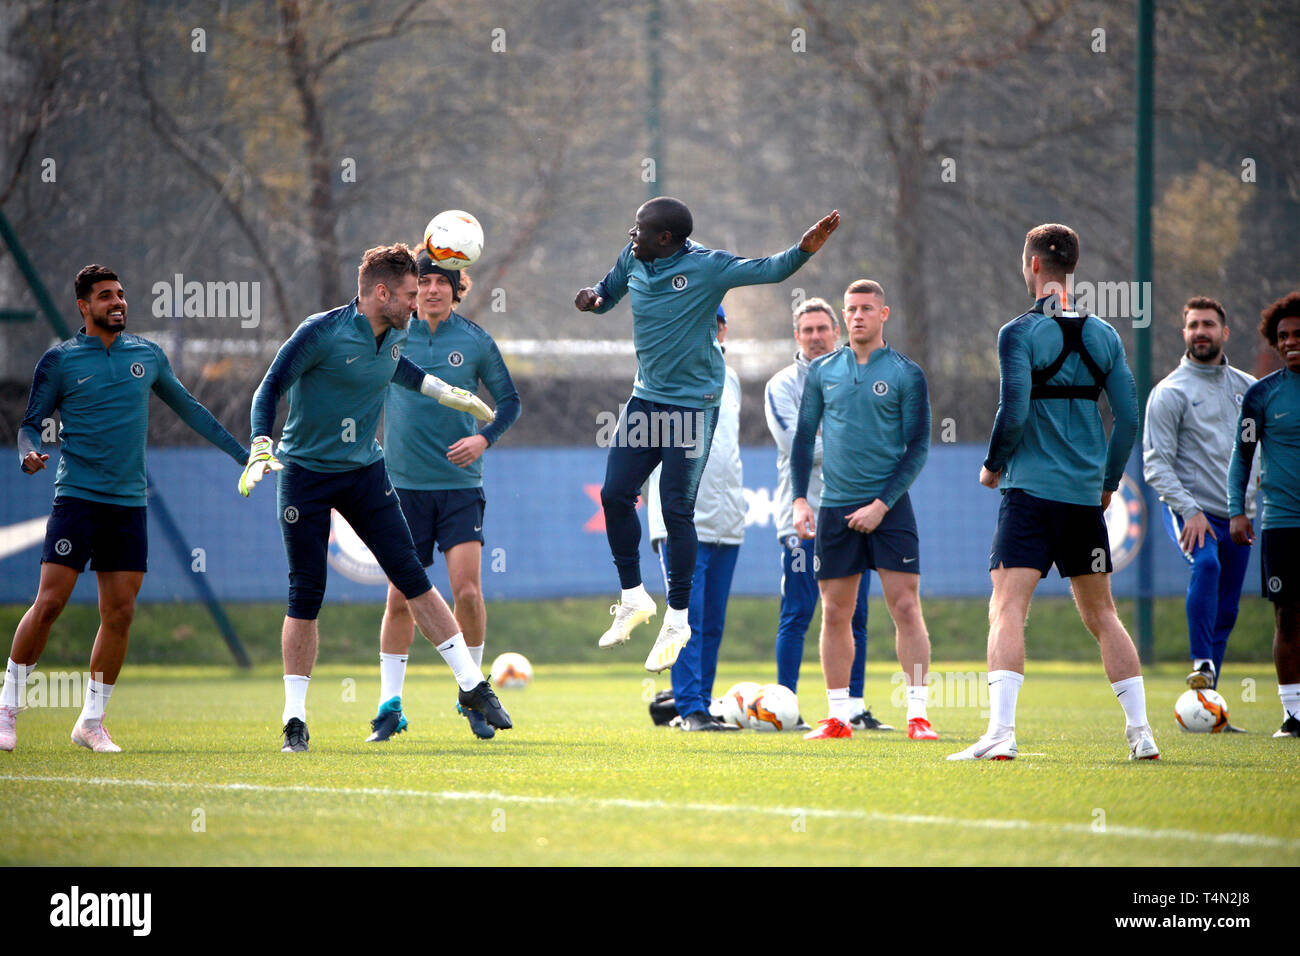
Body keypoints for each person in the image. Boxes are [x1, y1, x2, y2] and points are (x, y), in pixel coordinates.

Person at [242, 243, 511, 752]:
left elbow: (398, 369)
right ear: (380, 293)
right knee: (306, 593)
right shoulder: (321, 331)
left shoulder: (395, 331)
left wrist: (444, 392)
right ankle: (294, 720)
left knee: (411, 576)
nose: (419, 302)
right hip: (306, 472)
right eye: (411, 293)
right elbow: (270, 387)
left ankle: (474, 687)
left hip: (365, 469)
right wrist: (260, 441)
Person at [576, 197, 839, 674]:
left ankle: (677, 618)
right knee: (615, 494)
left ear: (666, 240)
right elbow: (608, 293)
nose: (631, 235)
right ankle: (634, 598)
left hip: (692, 405)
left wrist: (803, 249)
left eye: (641, 229)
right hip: (647, 397)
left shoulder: (708, 267)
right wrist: (593, 299)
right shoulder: (633, 256)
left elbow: (770, 269)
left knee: (676, 506)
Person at [0, 264, 247, 753]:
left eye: (120, 294)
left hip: (128, 504)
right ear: (84, 307)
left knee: (120, 613)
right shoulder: (61, 360)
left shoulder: (147, 355)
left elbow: (191, 409)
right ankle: (7, 707)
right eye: (105, 296)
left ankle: (91, 722)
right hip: (77, 499)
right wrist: (28, 451)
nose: (117, 302)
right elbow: (30, 424)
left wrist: (245, 454)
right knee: (49, 603)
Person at [950, 223, 1157, 762]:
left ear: (1034, 266)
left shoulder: (1018, 332)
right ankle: (1142, 734)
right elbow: (1130, 419)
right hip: (1084, 500)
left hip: (1031, 495)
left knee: (1008, 608)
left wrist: (993, 465)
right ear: (1072, 269)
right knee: (1103, 614)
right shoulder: (1104, 335)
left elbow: (1013, 410)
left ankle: (1001, 734)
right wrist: (1108, 483)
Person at [368, 254, 521, 742]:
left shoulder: (475, 341)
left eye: (442, 283)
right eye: (425, 281)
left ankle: (469, 693)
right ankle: (390, 705)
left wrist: (484, 438)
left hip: (459, 488)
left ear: (458, 290)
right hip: (402, 489)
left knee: (469, 594)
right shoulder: (393, 335)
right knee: (399, 597)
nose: (433, 290)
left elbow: (510, 402)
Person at [790, 280, 936, 741]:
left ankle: (918, 715)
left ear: (884, 314)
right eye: (851, 309)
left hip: (889, 509)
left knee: (906, 607)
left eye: (866, 309)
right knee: (834, 612)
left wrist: (881, 504)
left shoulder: (905, 373)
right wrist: (799, 499)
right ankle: (838, 717)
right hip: (834, 508)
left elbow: (917, 448)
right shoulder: (822, 371)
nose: (857, 317)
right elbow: (801, 440)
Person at [766, 297, 886, 731]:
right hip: (805, 514)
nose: (816, 337)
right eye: (807, 330)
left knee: (856, 615)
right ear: (797, 337)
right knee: (798, 611)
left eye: (822, 329)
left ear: (835, 332)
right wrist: (851, 444)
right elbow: (796, 445)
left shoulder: (859, 377)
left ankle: (852, 708)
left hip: (854, 513)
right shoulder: (781, 385)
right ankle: (786, 708)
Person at [1143, 296, 1255, 702]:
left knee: (1227, 611)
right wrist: (1189, 510)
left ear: (1224, 333)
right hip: (1192, 513)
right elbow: (1155, 464)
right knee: (1205, 564)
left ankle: (1210, 705)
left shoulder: (1249, 390)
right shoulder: (1170, 391)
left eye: (1208, 325)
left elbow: (1263, 452)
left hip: (1239, 516)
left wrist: (1249, 505)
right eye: (1193, 325)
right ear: (1184, 333)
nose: (1200, 332)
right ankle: (1200, 663)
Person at [647, 306, 742, 731]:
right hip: (683, 519)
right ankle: (688, 708)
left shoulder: (732, 378)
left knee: (713, 621)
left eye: (713, 323)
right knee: (687, 618)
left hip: (726, 520)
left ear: (722, 329)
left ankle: (701, 702)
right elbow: (640, 442)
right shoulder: (663, 372)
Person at [1228, 291, 1300, 739]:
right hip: (1281, 524)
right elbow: (1242, 455)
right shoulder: (1261, 396)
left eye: (1298, 334)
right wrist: (1238, 511)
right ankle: (1295, 715)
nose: (1291, 342)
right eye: (1284, 336)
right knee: (1287, 619)